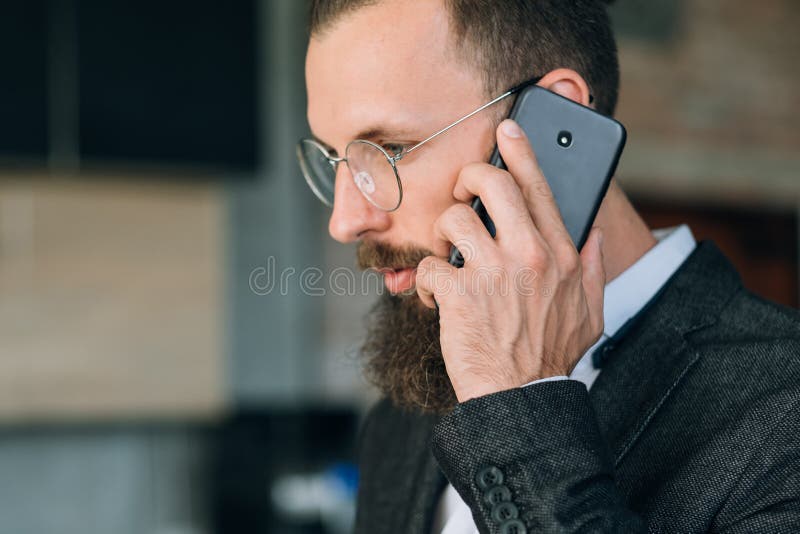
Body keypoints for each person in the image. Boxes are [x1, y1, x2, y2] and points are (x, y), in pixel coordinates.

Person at [297, 1, 800, 532]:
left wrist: (520, 404)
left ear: (557, 121)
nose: (346, 220)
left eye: (389, 149)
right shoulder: (398, 427)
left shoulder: (784, 414)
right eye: (337, 159)